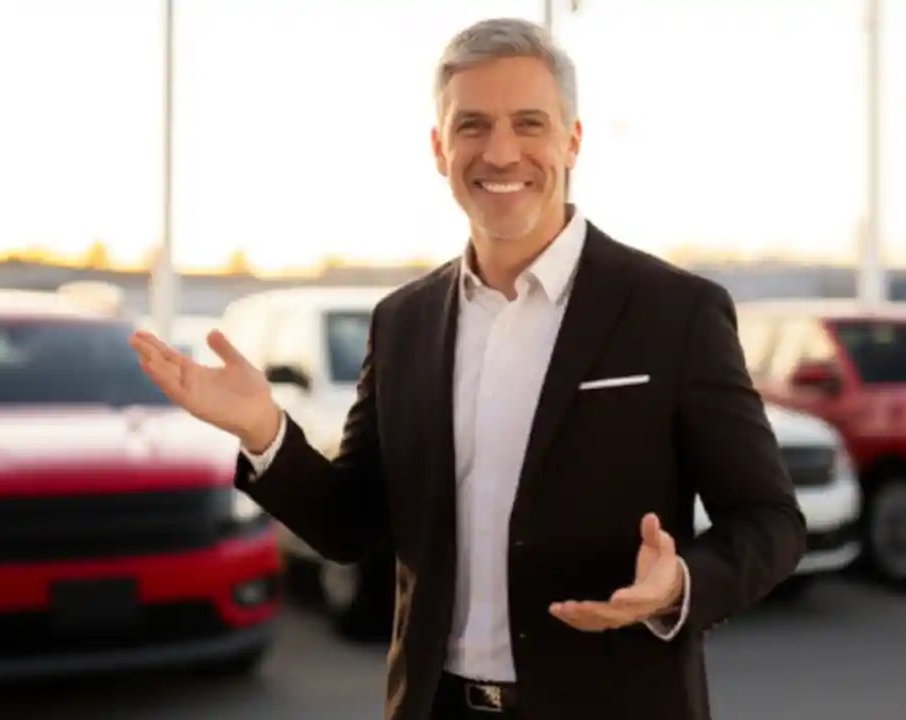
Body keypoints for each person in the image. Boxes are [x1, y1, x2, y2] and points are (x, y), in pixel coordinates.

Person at [130, 17, 805, 720]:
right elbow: (349, 526)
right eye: (473, 125)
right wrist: (264, 429)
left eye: (529, 124)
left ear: (572, 140)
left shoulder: (676, 312)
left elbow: (770, 522)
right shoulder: (403, 322)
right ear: (439, 148)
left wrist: (680, 585)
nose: (501, 152)